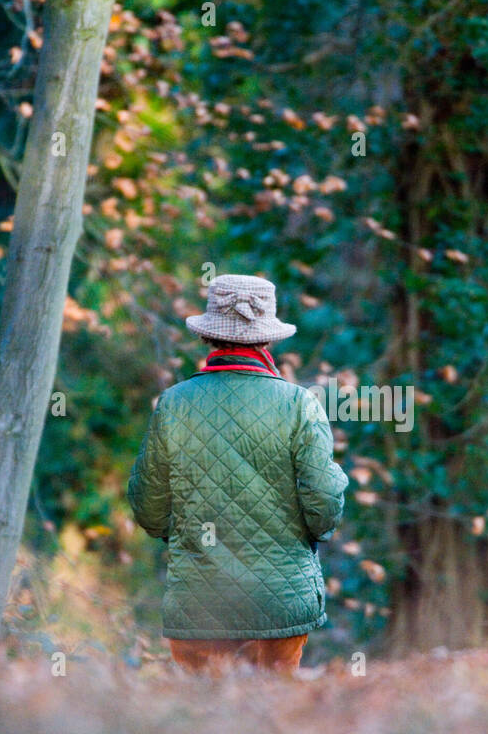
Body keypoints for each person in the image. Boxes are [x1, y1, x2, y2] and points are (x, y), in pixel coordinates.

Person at [127, 274, 348, 674]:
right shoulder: (299, 404)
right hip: (281, 605)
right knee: (273, 719)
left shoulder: (174, 404)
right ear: (268, 340)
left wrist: (184, 537)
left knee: (201, 720)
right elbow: (325, 502)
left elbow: (148, 507)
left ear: (209, 337)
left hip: (200, 606)